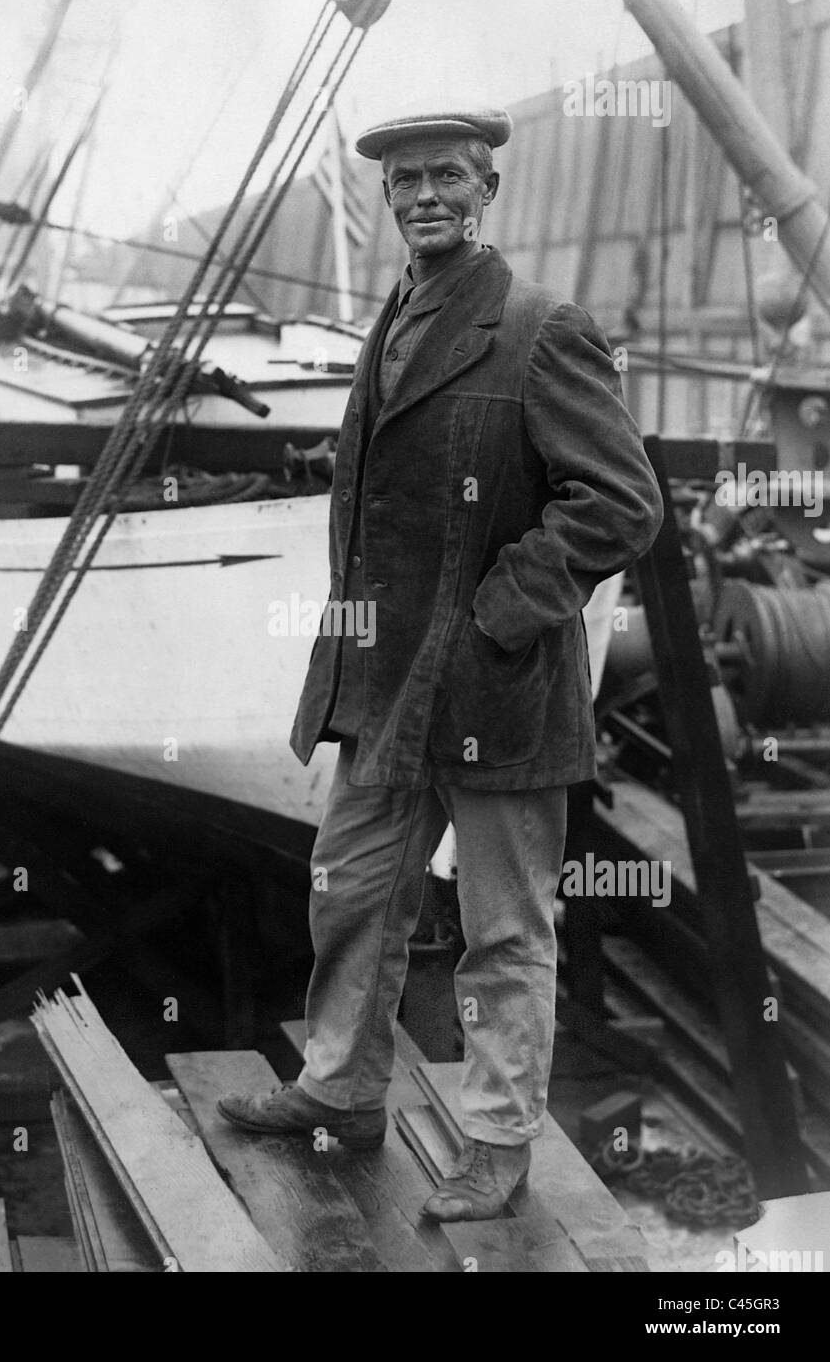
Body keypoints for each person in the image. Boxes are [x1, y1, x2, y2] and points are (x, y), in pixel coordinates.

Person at [218, 106, 664, 1222]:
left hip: (496, 686)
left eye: (449, 177)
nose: (426, 194)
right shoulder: (399, 315)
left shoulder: (541, 327)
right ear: (385, 197)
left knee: (505, 927)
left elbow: (621, 502)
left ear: (489, 190)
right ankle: (342, 1088)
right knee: (353, 889)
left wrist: (502, 610)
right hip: (384, 683)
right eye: (407, 179)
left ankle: (500, 1139)